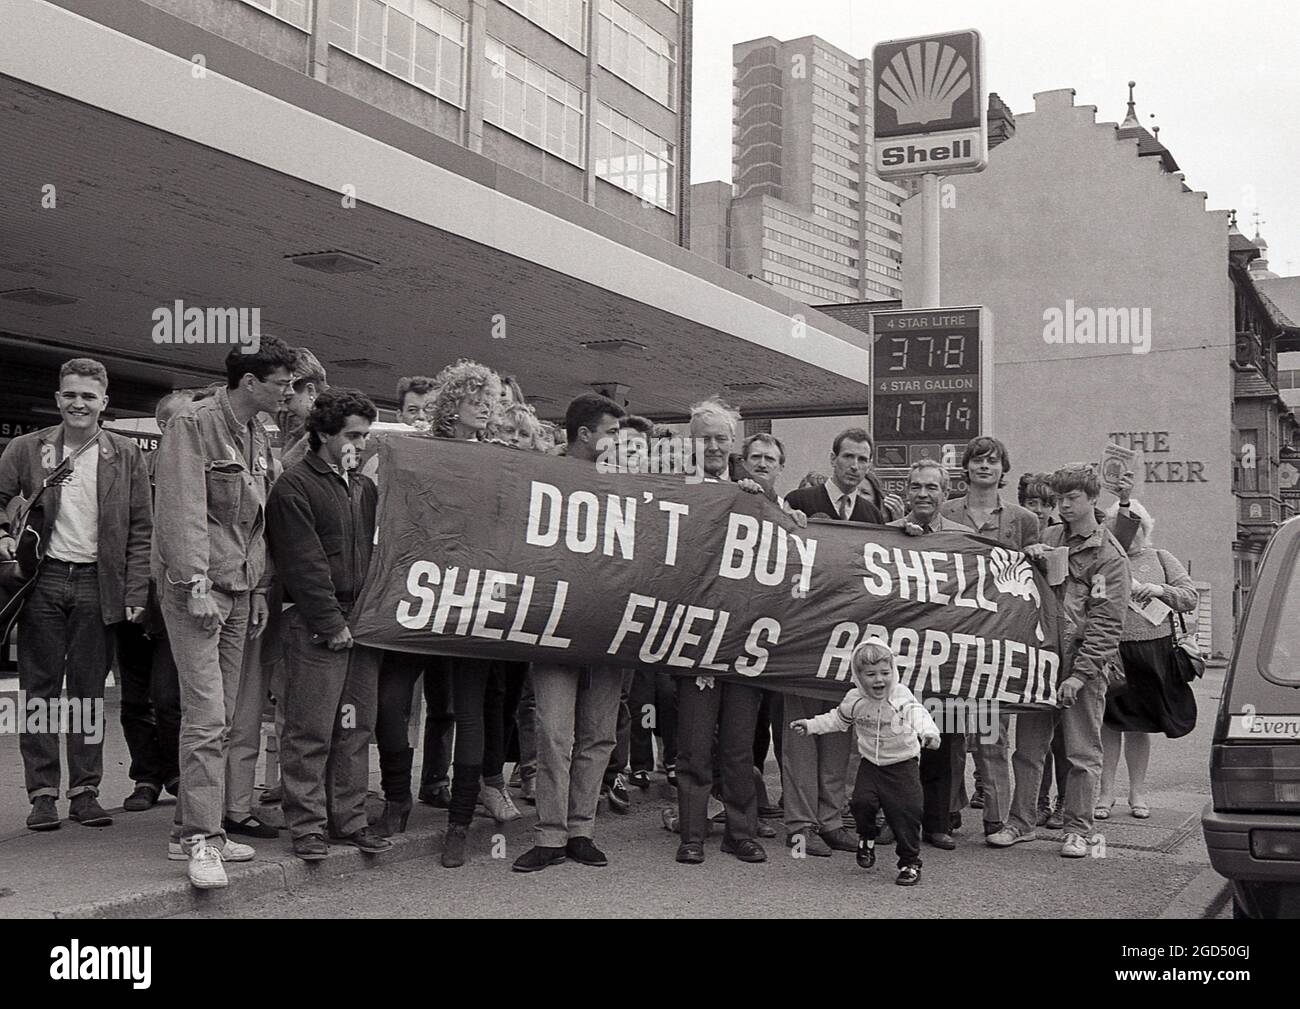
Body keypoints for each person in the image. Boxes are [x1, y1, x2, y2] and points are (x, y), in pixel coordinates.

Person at [153, 337, 295, 888]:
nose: (287, 392)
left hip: (239, 589)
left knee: (229, 717)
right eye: (280, 382)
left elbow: (254, 523)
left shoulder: (258, 432)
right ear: (250, 382)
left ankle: (188, 828)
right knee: (207, 717)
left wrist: (259, 589)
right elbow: (181, 509)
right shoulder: (192, 425)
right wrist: (193, 584)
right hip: (200, 589)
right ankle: (202, 842)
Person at [0, 357, 153, 832]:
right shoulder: (28, 448)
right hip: (42, 581)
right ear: (57, 399)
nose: (78, 403)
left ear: (104, 403)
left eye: (88, 395)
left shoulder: (124, 453)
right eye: (70, 394)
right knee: (39, 691)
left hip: (96, 582)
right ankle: (42, 794)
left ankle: (85, 791)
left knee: (89, 689)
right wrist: (4, 532)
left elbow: (141, 529)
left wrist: (134, 591)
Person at [266, 389, 391, 859]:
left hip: (360, 620)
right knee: (309, 729)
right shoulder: (294, 487)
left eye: (365, 434)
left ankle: (350, 819)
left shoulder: (363, 487)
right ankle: (308, 827)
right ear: (322, 434)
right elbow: (303, 563)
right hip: (316, 624)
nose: (360, 443)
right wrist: (330, 622)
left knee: (356, 728)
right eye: (352, 435)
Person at [988, 464, 1131, 858]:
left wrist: (1082, 675)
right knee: (1028, 750)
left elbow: (1106, 623)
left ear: (1092, 499)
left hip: (1081, 665)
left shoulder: (1108, 554)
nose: (1064, 506)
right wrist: (1027, 556)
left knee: (1082, 753)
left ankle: (1079, 830)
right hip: (1042, 661)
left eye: (1072, 499)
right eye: (1060, 499)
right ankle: (1021, 823)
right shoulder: (1049, 535)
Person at [512, 393, 627, 873]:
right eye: (612, 434)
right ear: (585, 434)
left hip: (611, 628)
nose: (620, 444)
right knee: (554, 733)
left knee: (599, 734)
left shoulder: (631, 483)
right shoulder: (539, 475)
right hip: (554, 626)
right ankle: (550, 834)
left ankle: (582, 830)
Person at [422, 361, 520, 868]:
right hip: (444, 598)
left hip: (494, 597)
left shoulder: (499, 459)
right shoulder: (427, 453)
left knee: (487, 704)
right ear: (451, 403)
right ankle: (444, 815)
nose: (485, 405)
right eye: (475, 397)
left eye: (491, 398)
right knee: (461, 708)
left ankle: (468, 810)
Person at [673, 399, 768, 865]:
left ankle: (740, 832)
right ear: (690, 442)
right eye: (704, 437)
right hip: (693, 637)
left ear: (733, 443)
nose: (712, 445)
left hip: (743, 636)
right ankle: (691, 835)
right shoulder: (672, 491)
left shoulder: (752, 494)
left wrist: (789, 516)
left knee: (738, 746)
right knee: (692, 746)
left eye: (720, 437)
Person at [940, 437, 1040, 839]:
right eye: (978, 460)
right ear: (965, 468)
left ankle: (996, 816)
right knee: (947, 731)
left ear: (1003, 469)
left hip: (997, 640)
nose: (985, 466)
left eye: (993, 461)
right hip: (950, 633)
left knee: (990, 733)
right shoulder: (947, 510)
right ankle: (945, 810)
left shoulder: (1023, 519)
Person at [372, 375, 455, 836]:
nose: (419, 420)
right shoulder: (391, 455)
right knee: (390, 704)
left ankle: (441, 786)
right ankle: (396, 793)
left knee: (449, 706)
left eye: (427, 412)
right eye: (412, 412)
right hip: (404, 603)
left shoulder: (462, 460)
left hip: (453, 604)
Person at [790, 638, 940, 886]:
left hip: (903, 764)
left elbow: (917, 712)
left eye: (885, 672)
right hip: (871, 763)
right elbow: (837, 720)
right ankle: (866, 839)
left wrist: (929, 733)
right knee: (861, 803)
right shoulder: (854, 699)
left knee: (907, 814)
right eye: (870, 674)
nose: (879, 680)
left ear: (894, 671)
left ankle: (909, 863)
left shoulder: (900, 695)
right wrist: (810, 725)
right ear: (858, 677)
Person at [114, 389, 198, 813]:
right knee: (134, 699)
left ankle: (175, 772)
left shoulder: (196, 472)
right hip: (133, 597)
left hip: (173, 603)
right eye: (186, 419)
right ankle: (146, 776)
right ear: (166, 426)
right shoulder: (137, 470)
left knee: (169, 698)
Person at [886, 460, 973, 850]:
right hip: (900, 658)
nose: (923, 494)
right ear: (907, 491)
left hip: (948, 659)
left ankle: (937, 823)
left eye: (932, 487)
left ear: (946, 491)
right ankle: (896, 822)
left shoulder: (967, 538)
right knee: (895, 745)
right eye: (917, 487)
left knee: (945, 742)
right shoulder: (886, 535)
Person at [1097, 499, 1199, 820]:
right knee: (1109, 723)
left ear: (1146, 527)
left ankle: (1137, 793)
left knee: (1139, 725)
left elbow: (1189, 597)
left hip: (1152, 651)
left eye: (1137, 524)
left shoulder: (1161, 558)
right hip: (1113, 650)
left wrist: (1159, 590)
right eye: (1121, 524)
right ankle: (1105, 794)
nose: (1131, 530)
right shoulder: (1105, 558)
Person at [1019, 471, 1067, 827]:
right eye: (1029, 502)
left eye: (1042, 503)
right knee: (1032, 737)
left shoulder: (1058, 537)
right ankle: (1037, 801)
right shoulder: (1017, 534)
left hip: (1060, 644)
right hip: (1026, 645)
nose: (1035, 509)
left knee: (1064, 737)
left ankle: (1065, 800)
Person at [784, 428, 884, 524]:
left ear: (868, 467)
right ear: (833, 459)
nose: (854, 466)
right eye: (848, 456)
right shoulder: (798, 501)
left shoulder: (874, 515)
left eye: (862, 460)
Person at [278, 348, 328, 470]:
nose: (283, 409)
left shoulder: (331, 433)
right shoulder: (295, 422)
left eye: (288, 399)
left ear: (310, 390)